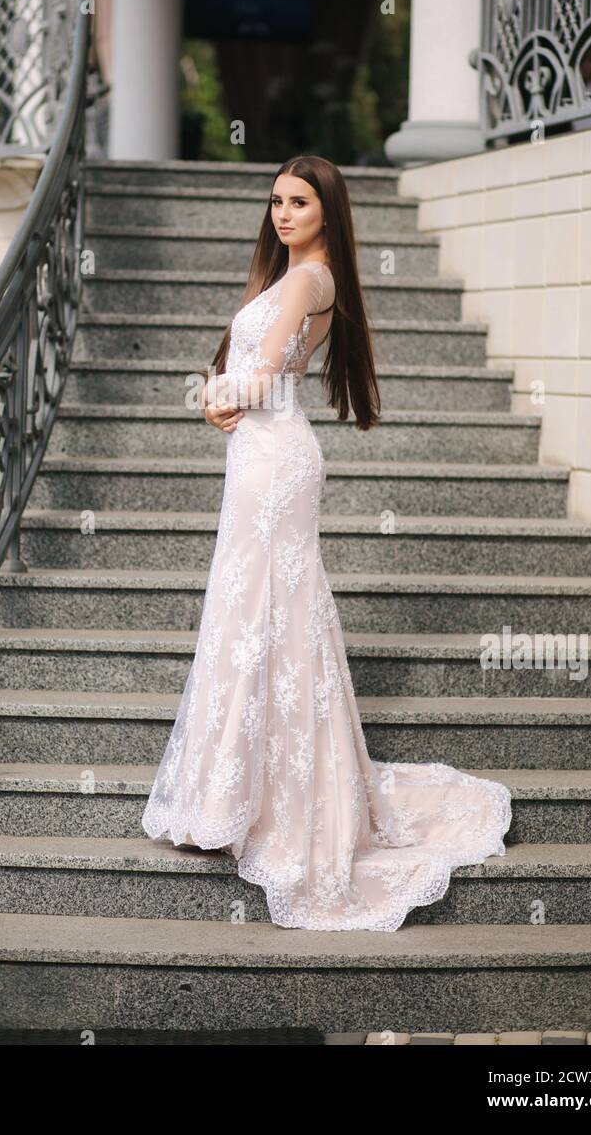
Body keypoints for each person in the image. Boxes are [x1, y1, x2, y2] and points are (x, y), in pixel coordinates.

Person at [141, 155, 512, 930]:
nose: (282, 213)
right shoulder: (288, 276)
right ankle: (233, 797)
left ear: (326, 210)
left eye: (299, 202)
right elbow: (251, 372)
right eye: (275, 200)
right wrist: (224, 398)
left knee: (269, 621)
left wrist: (211, 397)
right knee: (252, 621)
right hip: (260, 456)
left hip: (275, 458)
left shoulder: (312, 278)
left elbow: (266, 371)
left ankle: (262, 805)